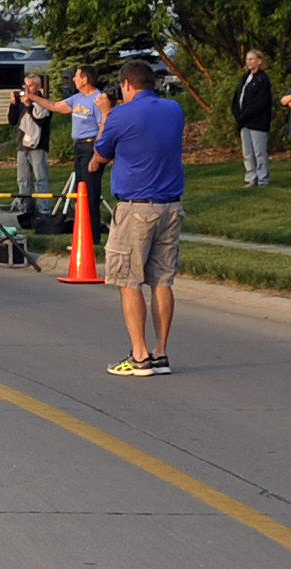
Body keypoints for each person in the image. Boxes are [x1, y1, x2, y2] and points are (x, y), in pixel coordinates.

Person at [92, 60, 185, 377]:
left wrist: (106, 114)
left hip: (135, 207)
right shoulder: (173, 110)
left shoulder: (120, 115)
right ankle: (161, 352)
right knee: (161, 279)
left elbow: (101, 154)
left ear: (126, 85)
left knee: (128, 280)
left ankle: (140, 354)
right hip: (170, 206)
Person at [28, 66, 110, 235]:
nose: (73, 79)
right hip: (78, 147)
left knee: (90, 194)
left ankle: (93, 236)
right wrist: (32, 97)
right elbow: (55, 106)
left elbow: (103, 127)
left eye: (77, 76)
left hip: (91, 147)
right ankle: (82, 234)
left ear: (85, 79)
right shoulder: (77, 98)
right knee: (80, 192)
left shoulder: (98, 99)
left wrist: (97, 154)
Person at [8, 76, 52, 216]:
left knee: (40, 179)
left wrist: (29, 106)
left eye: (31, 86)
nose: (27, 89)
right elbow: (12, 121)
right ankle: (26, 209)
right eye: (25, 86)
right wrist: (14, 104)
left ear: (38, 87)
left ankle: (44, 210)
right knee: (23, 180)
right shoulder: (22, 101)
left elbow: (41, 121)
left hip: (38, 146)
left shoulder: (44, 102)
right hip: (22, 145)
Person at [232, 50, 274, 187]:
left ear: (260, 61)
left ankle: (263, 179)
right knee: (248, 153)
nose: (249, 62)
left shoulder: (263, 79)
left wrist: (245, 115)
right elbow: (238, 97)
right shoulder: (245, 78)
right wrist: (237, 113)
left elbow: (261, 103)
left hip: (257, 121)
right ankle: (251, 177)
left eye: (252, 59)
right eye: (247, 59)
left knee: (259, 152)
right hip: (244, 122)